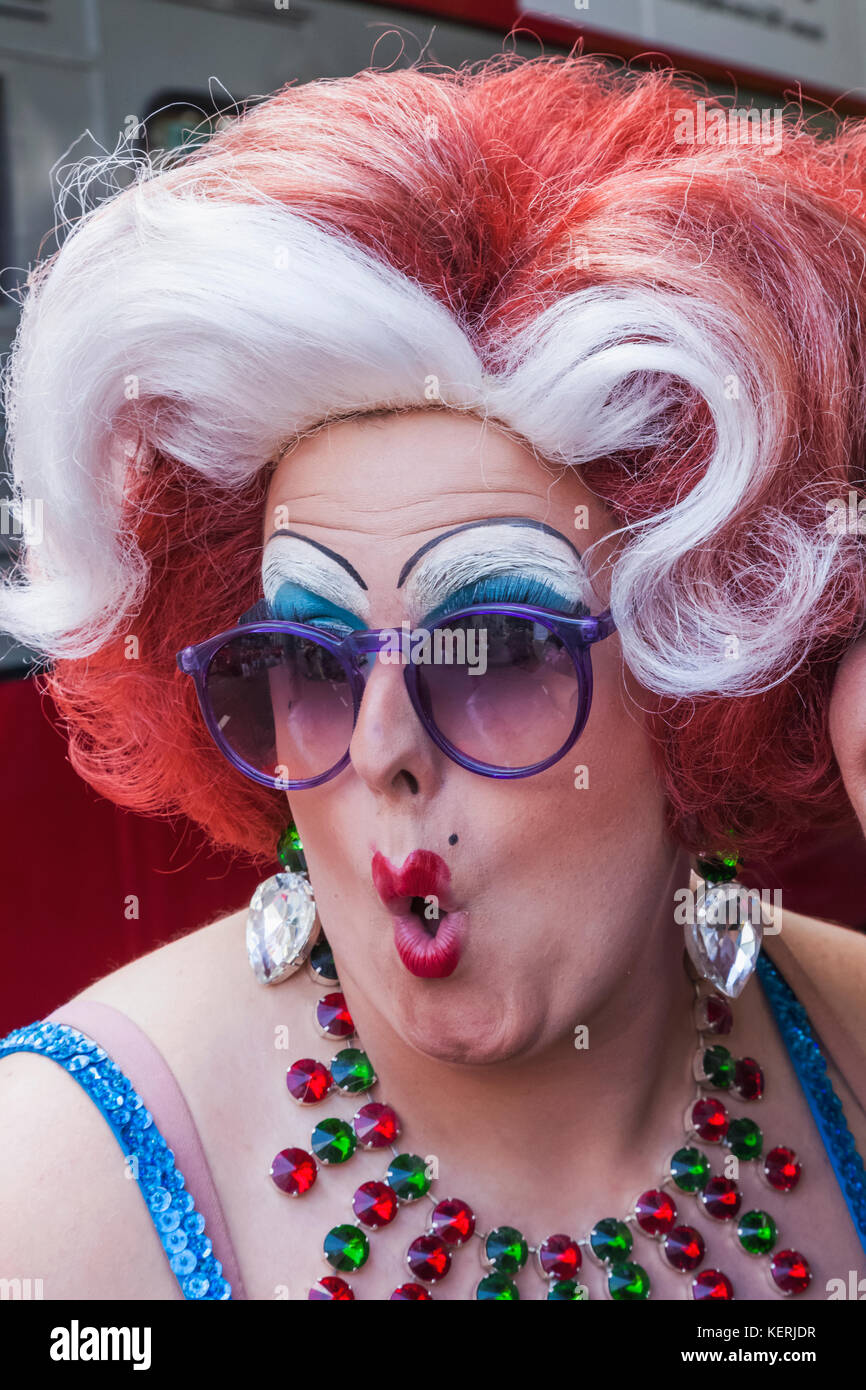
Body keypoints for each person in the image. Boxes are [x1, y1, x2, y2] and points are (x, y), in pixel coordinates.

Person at [0, 54, 865, 1302]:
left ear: (698, 686)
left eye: (494, 648)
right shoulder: (52, 1192)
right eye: (305, 661)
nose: (378, 747)